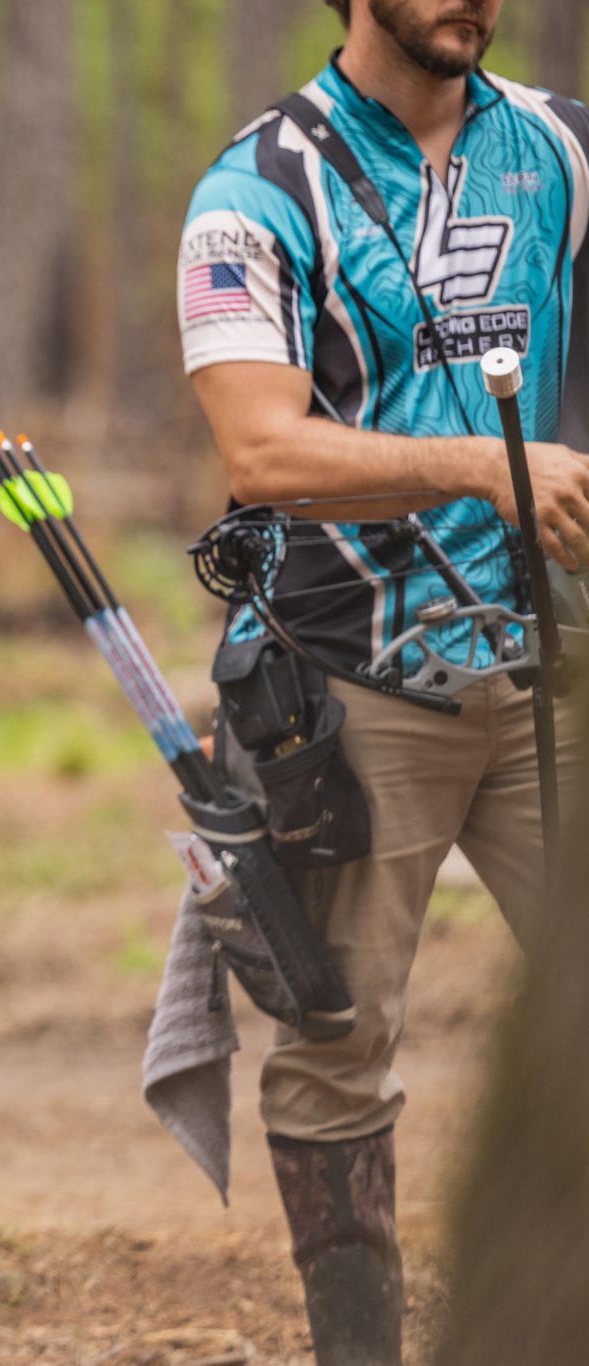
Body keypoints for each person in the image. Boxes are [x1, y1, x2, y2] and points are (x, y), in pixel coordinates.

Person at [178, 1, 587, 1360]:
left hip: (556, 662)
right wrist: (491, 466)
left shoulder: (563, 152)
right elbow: (264, 452)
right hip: (353, 684)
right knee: (335, 1044)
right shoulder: (255, 187)